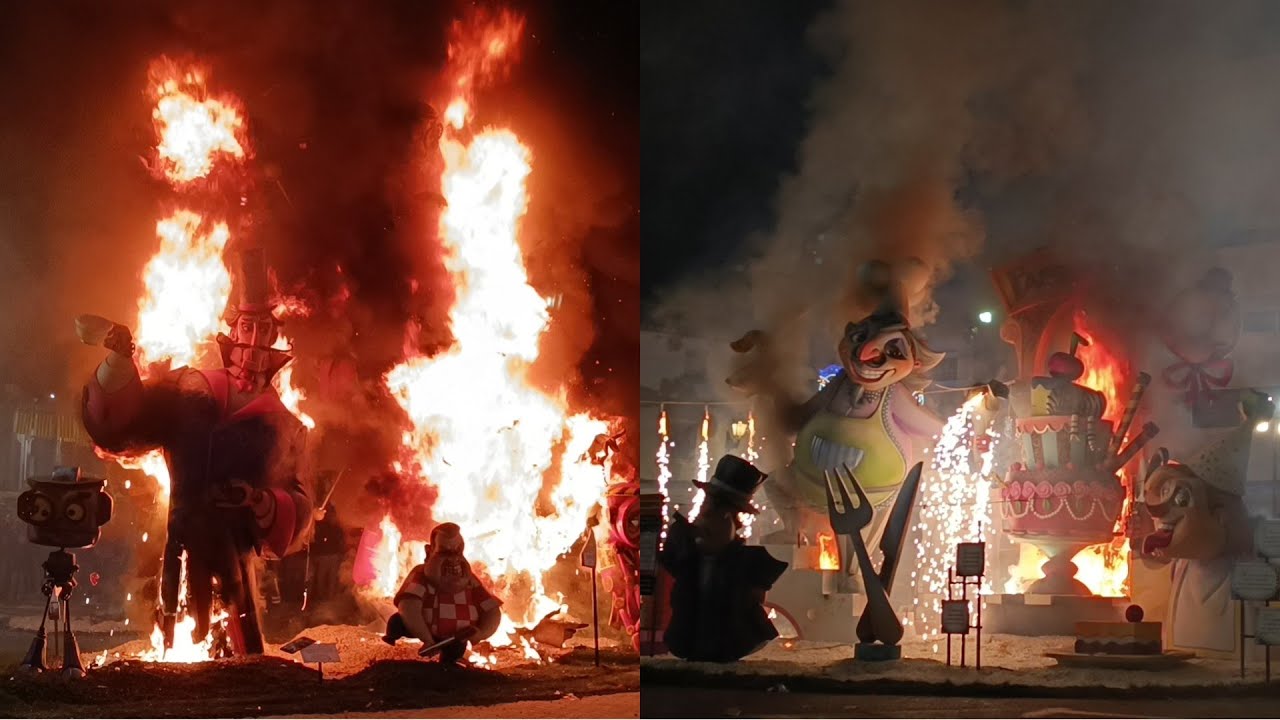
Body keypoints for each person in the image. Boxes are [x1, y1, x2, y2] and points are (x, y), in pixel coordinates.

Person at [78, 247, 312, 655]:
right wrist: (118, 363)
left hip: (234, 551)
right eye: (247, 327)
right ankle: (170, 648)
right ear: (233, 330)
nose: (254, 340)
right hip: (180, 535)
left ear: (276, 336)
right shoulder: (188, 388)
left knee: (244, 643)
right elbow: (127, 427)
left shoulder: (286, 426)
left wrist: (260, 501)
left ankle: (243, 663)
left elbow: (297, 500)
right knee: (173, 625)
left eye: (264, 330)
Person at [660, 455, 788, 662]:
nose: (705, 521)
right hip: (692, 626)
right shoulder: (692, 560)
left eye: (714, 512)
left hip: (727, 629)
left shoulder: (742, 567)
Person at [382, 522, 502, 664]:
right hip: (425, 628)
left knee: (455, 650)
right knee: (397, 622)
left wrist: (481, 633)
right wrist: (427, 640)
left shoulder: (469, 580)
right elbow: (409, 607)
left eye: (458, 551)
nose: (453, 559)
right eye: (444, 552)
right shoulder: (421, 575)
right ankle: (392, 640)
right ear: (429, 552)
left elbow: (490, 609)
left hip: (456, 636)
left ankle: (449, 665)